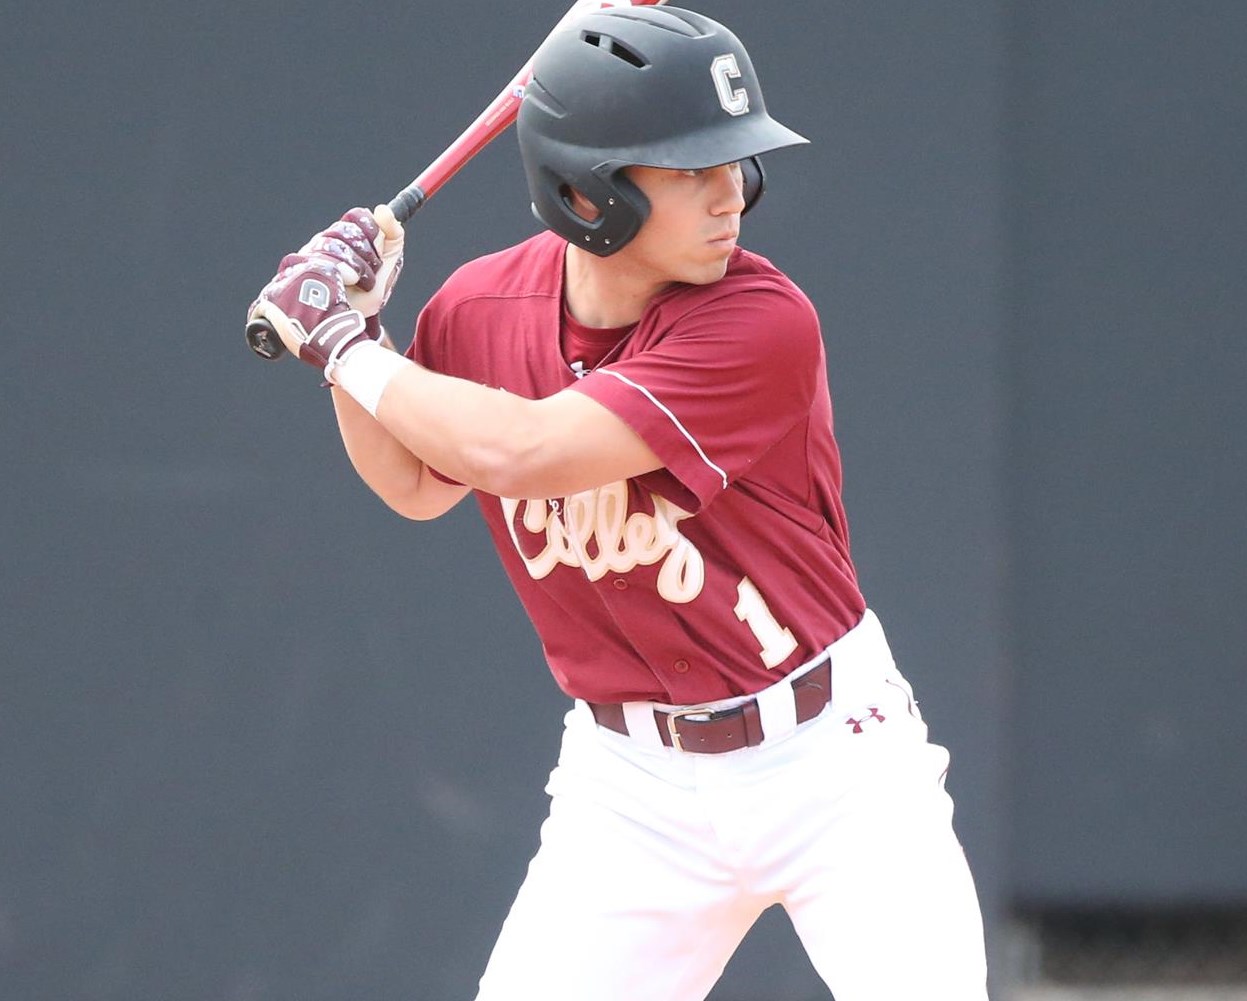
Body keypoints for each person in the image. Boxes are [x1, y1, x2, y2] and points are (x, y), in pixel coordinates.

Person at [247, 5, 987, 999]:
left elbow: (524, 450)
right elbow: (414, 481)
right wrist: (362, 332)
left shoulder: (759, 321)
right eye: (692, 170)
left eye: (738, 162)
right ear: (588, 191)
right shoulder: (475, 309)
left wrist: (339, 342)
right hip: (631, 789)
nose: (733, 195)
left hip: (831, 763)